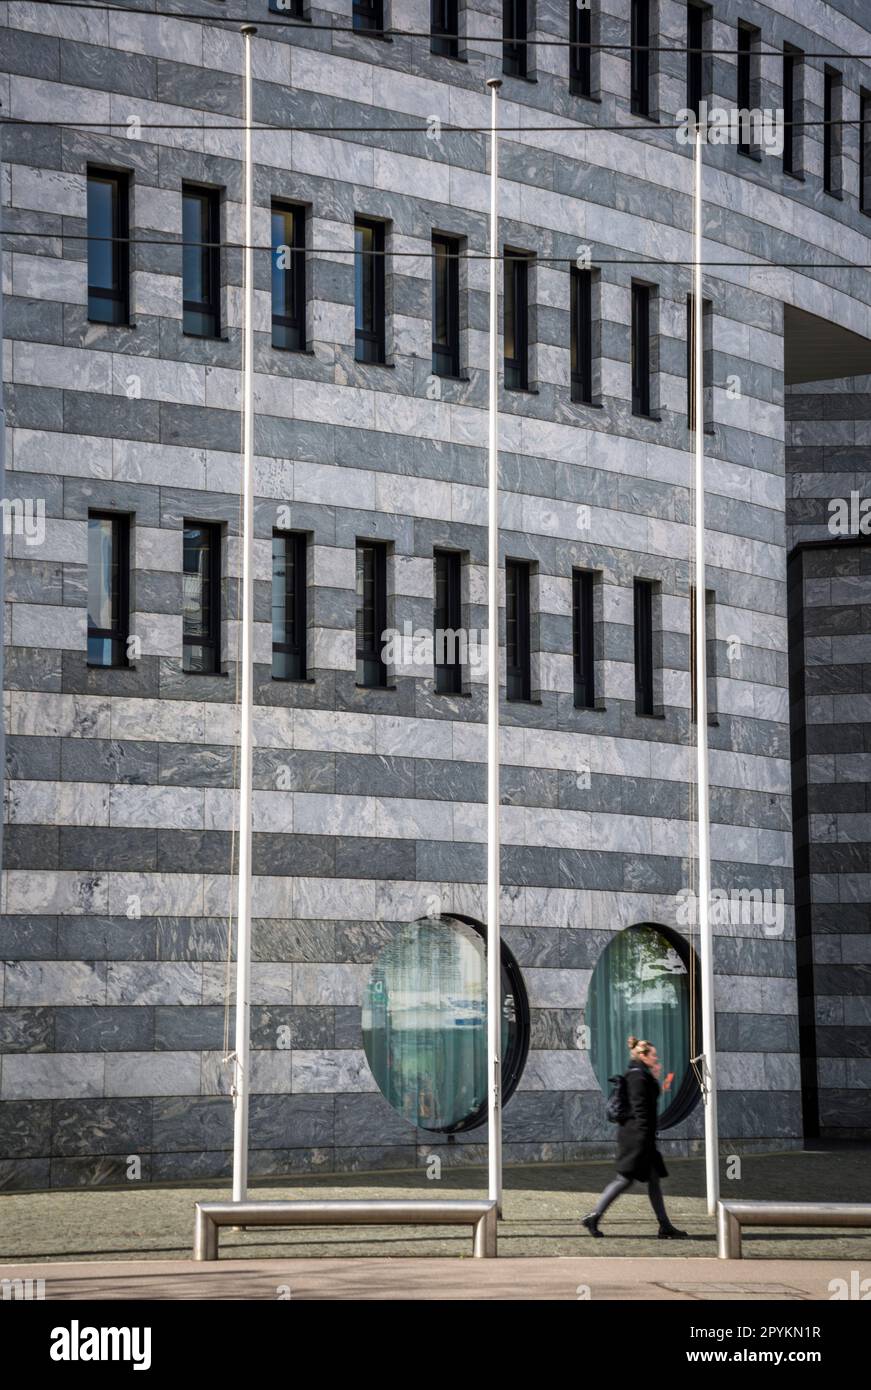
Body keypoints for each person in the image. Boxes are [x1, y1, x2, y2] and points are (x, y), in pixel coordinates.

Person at [582, 1035, 688, 1239]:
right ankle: (593, 1216)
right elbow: (640, 1110)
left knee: (653, 1180)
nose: (656, 1059)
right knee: (624, 1180)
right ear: (643, 1055)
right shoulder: (637, 1076)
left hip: (640, 1136)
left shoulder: (640, 1074)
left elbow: (645, 1103)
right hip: (637, 1138)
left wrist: (657, 1083)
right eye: (654, 1056)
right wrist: (644, 1138)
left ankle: (665, 1225)